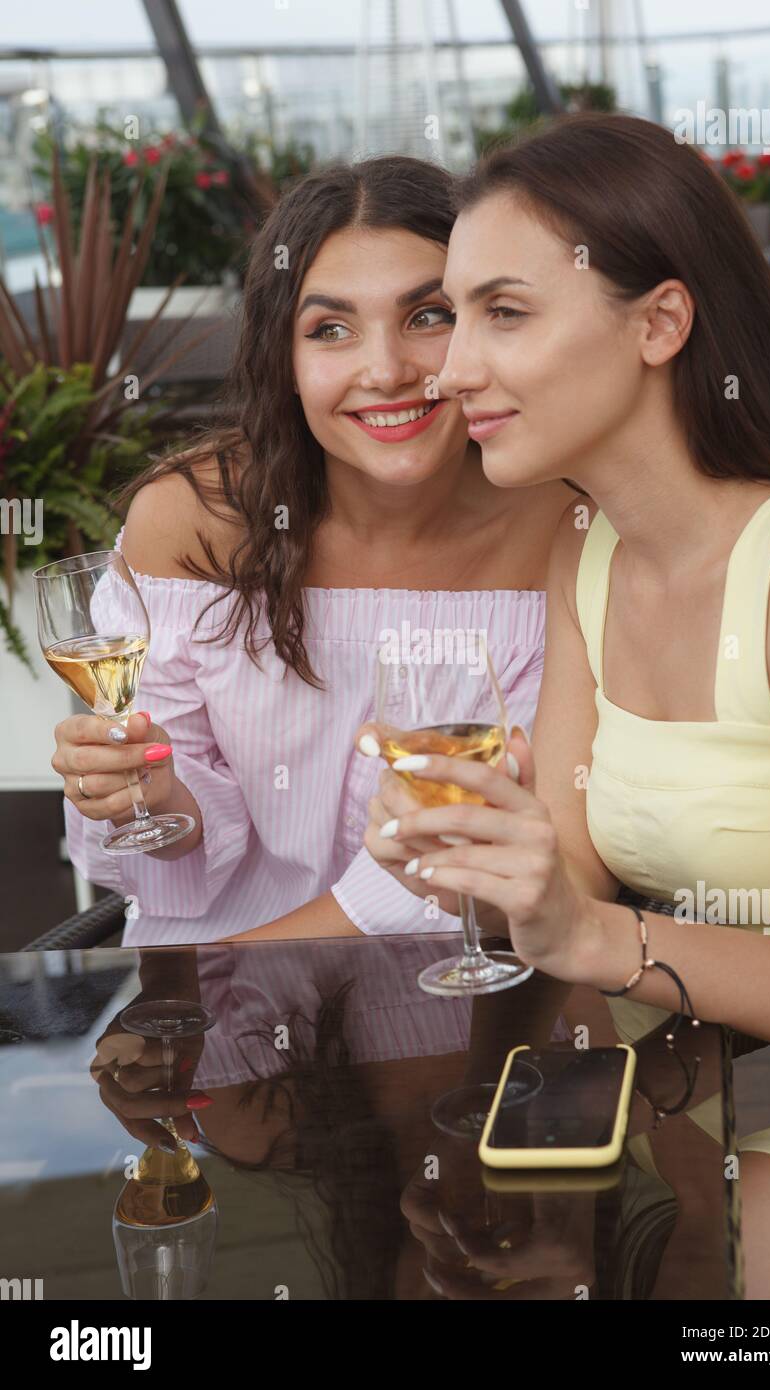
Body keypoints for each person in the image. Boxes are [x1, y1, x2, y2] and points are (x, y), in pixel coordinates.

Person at [360, 112, 770, 1298]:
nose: (448, 369)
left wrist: (596, 939)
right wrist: (479, 868)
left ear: (658, 322)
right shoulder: (583, 550)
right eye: (452, 314)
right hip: (752, 1104)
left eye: (503, 311)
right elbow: (569, 887)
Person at [52, 155, 572, 946]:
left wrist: (235, 970)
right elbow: (158, 849)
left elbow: (500, 856)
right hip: (209, 991)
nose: (386, 371)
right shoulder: (190, 523)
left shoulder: (561, 531)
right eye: (330, 330)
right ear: (284, 363)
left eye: (427, 316)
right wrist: (150, 796)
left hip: (447, 978)